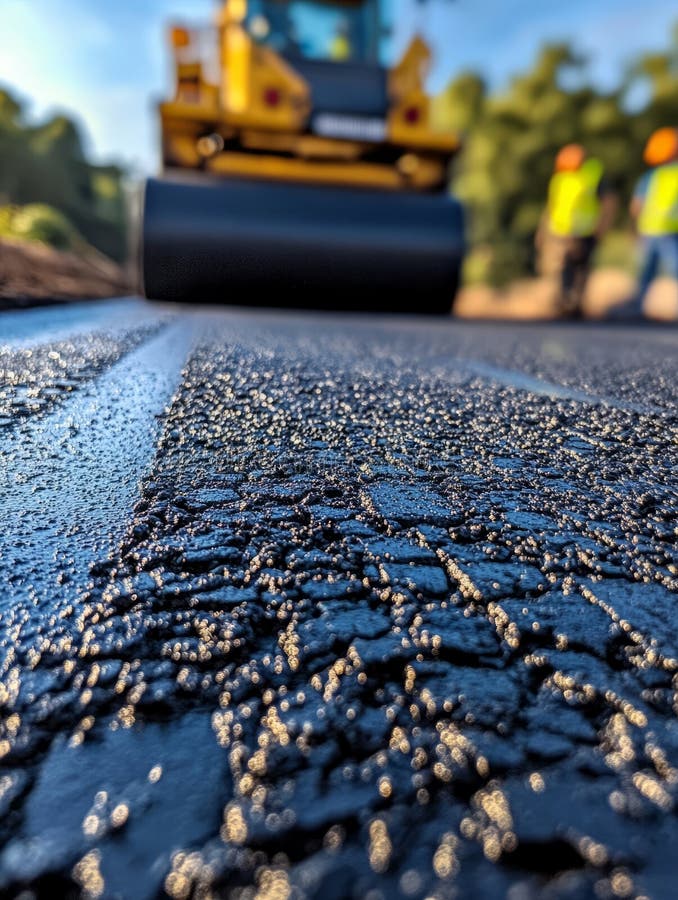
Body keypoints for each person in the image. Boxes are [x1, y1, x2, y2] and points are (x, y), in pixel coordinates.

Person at [536, 144, 616, 318]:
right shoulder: (560, 179)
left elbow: (608, 202)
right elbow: (551, 207)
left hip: (585, 233)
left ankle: (576, 302)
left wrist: (602, 227)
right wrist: (542, 231)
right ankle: (564, 301)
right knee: (562, 267)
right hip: (561, 233)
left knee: (581, 268)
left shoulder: (592, 177)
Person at [619, 127, 678, 318]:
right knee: (657, 271)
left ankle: (637, 306)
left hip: (658, 233)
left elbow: (636, 206)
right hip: (662, 233)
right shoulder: (657, 176)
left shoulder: (651, 176)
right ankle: (637, 306)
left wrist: (633, 227)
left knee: (647, 273)